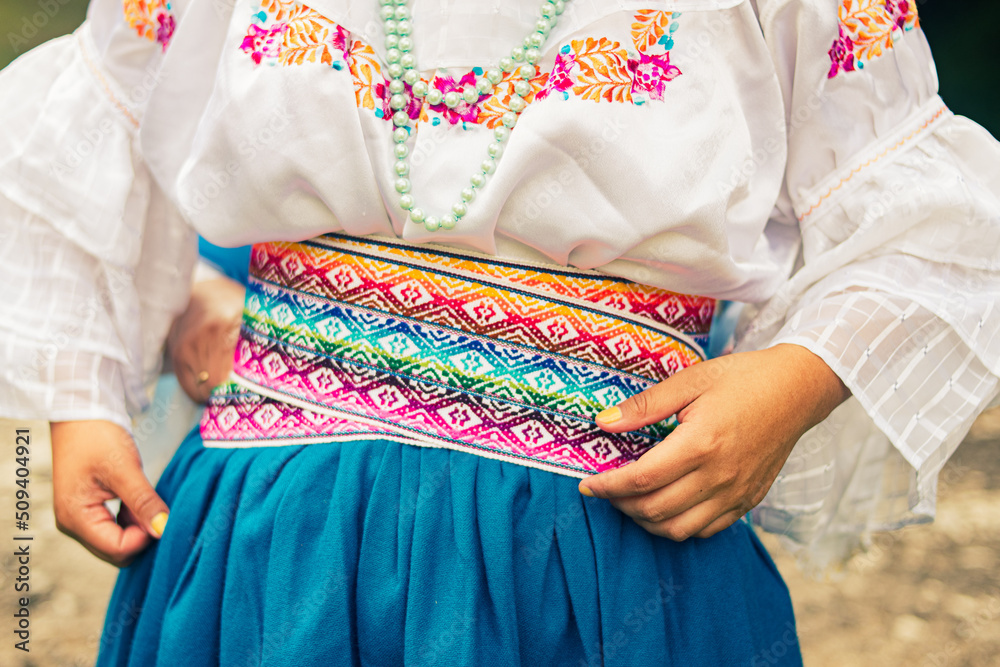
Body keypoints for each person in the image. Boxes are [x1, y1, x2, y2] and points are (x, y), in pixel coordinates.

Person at [1, 0, 997, 664]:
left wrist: (795, 376)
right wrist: (83, 393)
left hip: (601, 560)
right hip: (276, 548)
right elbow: (107, 110)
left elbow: (922, 205)